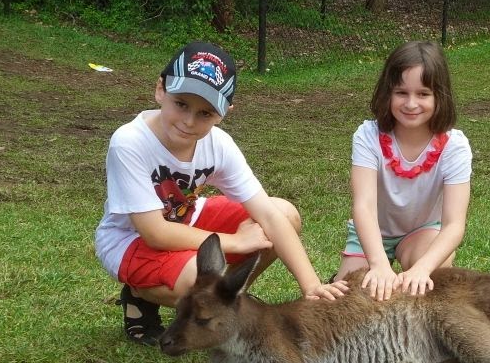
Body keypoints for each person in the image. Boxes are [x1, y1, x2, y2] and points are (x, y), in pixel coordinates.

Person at [95, 41, 347, 346]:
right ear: (161, 89)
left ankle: (221, 307)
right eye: (181, 104)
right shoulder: (130, 142)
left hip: (187, 219)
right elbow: (155, 232)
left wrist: (311, 286)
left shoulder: (218, 144)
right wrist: (237, 242)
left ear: (224, 113)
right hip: (130, 240)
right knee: (195, 278)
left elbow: (266, 212)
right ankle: (141, 295)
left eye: (205, 113)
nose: (189, 121)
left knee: (283, 215)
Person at [331, 41, 473, 301]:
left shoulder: (455, 146)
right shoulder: (367, 136)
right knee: (349, 301)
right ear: (387, 93)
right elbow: (363, 206)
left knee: (432, 284)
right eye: (401, 92)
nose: (411, 103)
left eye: (423, 94)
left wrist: (422, 269)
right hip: (372, 232)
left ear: (440, 96)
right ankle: (346, 273)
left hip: (422, 233)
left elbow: (454, 224)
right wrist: (379, 265)